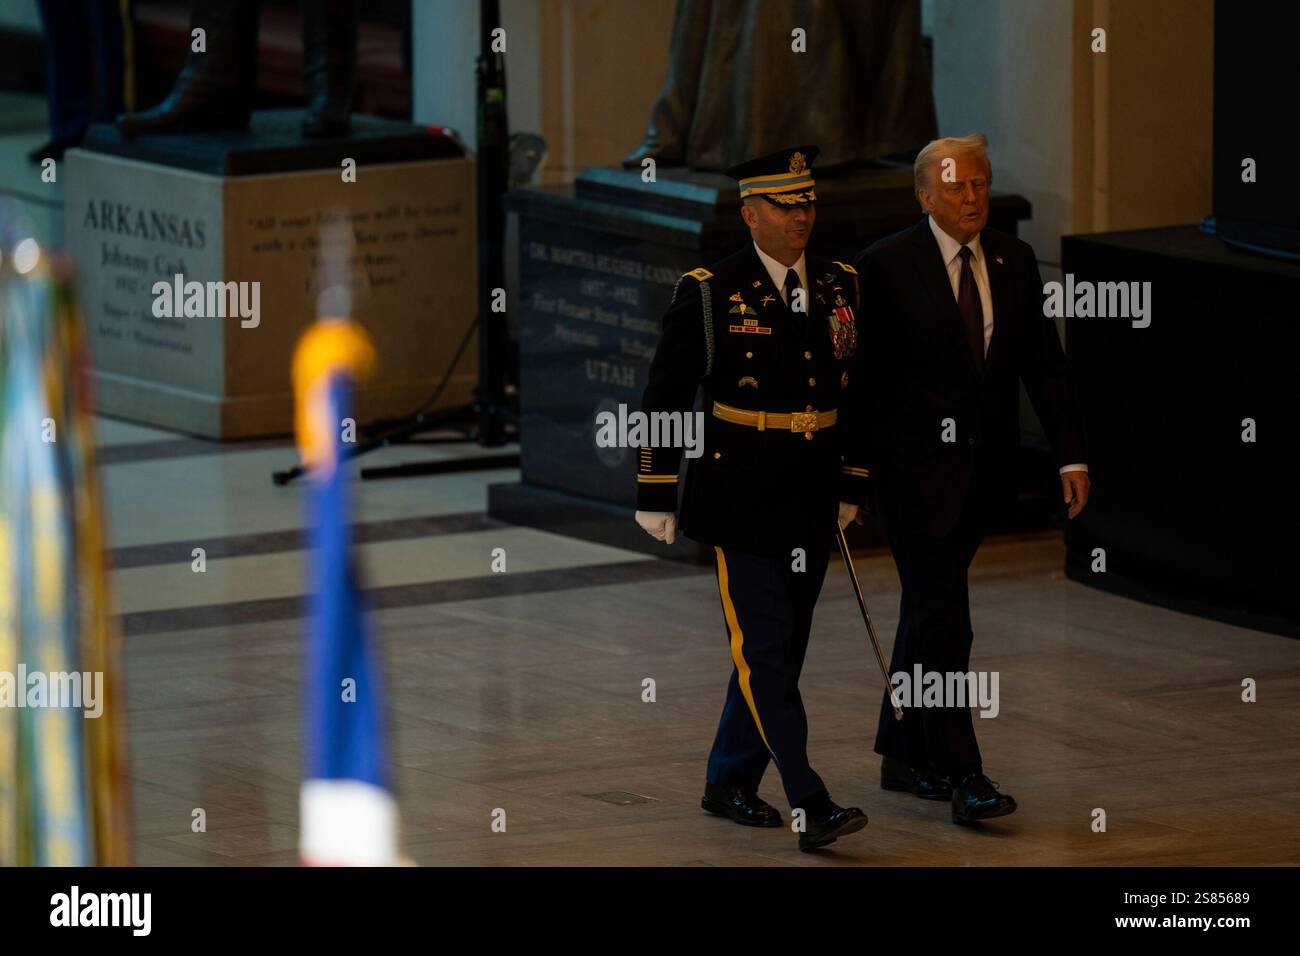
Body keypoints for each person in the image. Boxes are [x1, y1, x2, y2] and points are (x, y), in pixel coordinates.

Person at [634, 145, 870, 851]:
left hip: (812, 490)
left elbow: (858, 393)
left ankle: (730, 778)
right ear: (750, 214)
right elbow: (666, 395)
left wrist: (852, 482)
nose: (802, 218)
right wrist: (655, 488)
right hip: (739, 491)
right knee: (765, 649)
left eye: (809, 204)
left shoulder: (839, 283)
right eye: (786, 206)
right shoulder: (711, 291)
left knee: (780, 651)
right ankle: (810, 799)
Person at [851, 133, 1090, 824]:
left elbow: (1045, 365)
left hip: (982, 477)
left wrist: (1070, 455)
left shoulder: (1014, 261)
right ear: (925, 195)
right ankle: (964, 773)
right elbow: (865, 383)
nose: (971, 197)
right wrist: (853, 476)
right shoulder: (887, 265)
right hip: (911, 477)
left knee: (926, 615)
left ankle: (902, 749)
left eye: (980, 184)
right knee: (947, 623)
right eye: (955, 187)